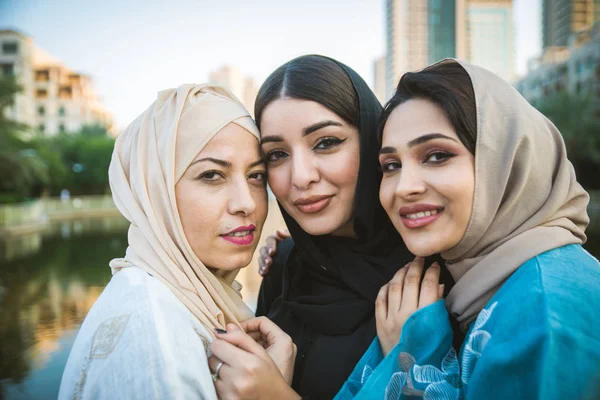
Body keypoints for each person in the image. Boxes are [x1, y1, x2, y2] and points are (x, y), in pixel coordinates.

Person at [336, 59, 600, 399]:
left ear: (507, 162)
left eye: (437, 155)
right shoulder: (480, 283)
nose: (404, 187)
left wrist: (415, 359)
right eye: (391, 165)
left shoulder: (547, 318)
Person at [210, 54, 447, 399]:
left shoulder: (433, 276)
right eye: (277, 154)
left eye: (326, 143)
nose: (301, 177)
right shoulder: (284, 266)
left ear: (370, 140)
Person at [58, 84, 283, 399]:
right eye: (211, 175)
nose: (246, 202)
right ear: (156, 192)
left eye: (256, 176)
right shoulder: (153, 349)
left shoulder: (188, 295)